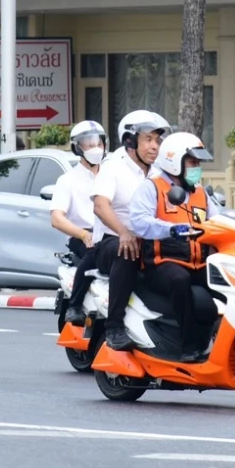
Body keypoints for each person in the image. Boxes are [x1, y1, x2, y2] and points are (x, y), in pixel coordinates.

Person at [127, 131, 222, 348]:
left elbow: (218, 220)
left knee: (227, 278)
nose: (196, 167)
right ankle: (188, 346)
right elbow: (139, 222)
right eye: (192, 162)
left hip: (198, 262)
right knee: (180, 280)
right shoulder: (153, 187)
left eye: (198, 162)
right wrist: (171, 229)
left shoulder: (200, 193)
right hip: (162, 263)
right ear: (174, 161)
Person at [92, 110, 170, 351]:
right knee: (127, 249)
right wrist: (124, 232)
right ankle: (113, 327)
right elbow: (100, 205)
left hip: (149, 241)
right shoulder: (113, 168)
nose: (154, 146)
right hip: (111, 241)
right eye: (148, 139)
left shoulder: (160, 172)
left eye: (158, 140)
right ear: (130, 141)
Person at [53, 120, 107, 326]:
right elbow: (56, 218)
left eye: (99, 143)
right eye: (89, 143)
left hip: (110, 232)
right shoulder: (68, 180)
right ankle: (75, 305)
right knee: (96, 251)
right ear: (77, 147)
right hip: (82, 235)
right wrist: (84, 235)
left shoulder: (111, 174)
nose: (96, 148)